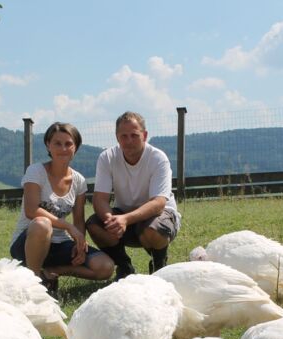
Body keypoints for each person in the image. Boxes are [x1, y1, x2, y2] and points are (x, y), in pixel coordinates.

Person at [9, 122, 114, 293]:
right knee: (42, 223)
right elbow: (31, 210)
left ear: (75, 148)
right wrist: (67, 226)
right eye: (57, 143)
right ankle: (35, 283)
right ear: (48, 145)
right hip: (30, 241)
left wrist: (79, 245)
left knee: (105, 267)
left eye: (68, 144)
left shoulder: (78, 181)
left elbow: (79, 220)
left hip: (60, 244)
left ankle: (52, 272)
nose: (63, 148)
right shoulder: (35, 172)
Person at [86, 111, 181, 280]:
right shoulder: (107, 158)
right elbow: (100, 199)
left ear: (144, 135)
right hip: (125, 218)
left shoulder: (158, 158)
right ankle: (124, 267)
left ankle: (159, 266)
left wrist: (125, 219)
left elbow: (158, 203)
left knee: (153, 229)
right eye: (124, 136)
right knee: (95, 225)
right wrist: (112, 220)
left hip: (157, 217)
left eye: (134, 135)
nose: (129, 141)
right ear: (117, 137)